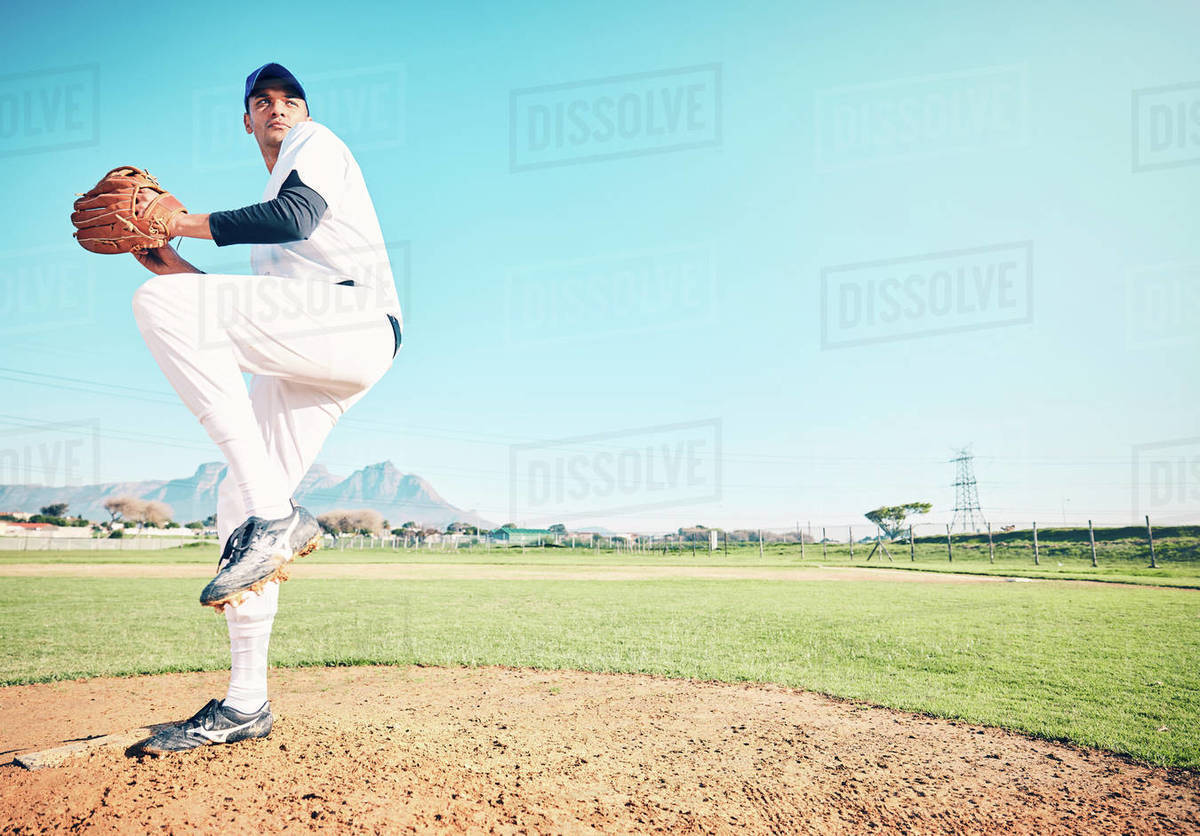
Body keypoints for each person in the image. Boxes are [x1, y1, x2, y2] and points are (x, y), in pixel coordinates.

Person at [128, 62, 402, 754]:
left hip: (354, 320)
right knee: (235, 506)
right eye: (262, 101)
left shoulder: (318, 147)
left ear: (303, 112)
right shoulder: (270, 192)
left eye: (290, 99)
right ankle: (247, 703)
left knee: (158, 309)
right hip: (316, 347)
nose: (278, 108)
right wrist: (169, 259)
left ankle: (277, 518)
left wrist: (181, 221)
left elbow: (296, 218)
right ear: (246, 120)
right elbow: (236, 311)